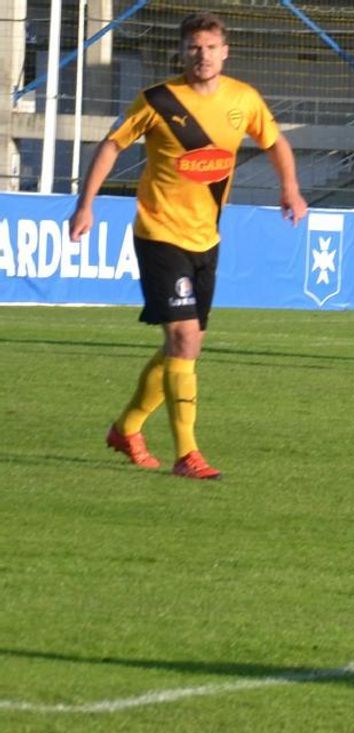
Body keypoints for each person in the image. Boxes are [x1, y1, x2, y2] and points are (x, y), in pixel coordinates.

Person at [69, 11, 307, 479]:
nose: (202, 55)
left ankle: (126, 428)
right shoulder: (158, 100)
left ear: (225, 51)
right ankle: (187, 454)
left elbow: (276, 142)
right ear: (182, 51)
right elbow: (113, 145)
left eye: (210, 47)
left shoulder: (244, 99)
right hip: (159, 233)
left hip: (207, 237)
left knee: (187, 345)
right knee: (181, 338)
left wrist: (291, 188)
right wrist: (86, 205)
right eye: (194, 47)